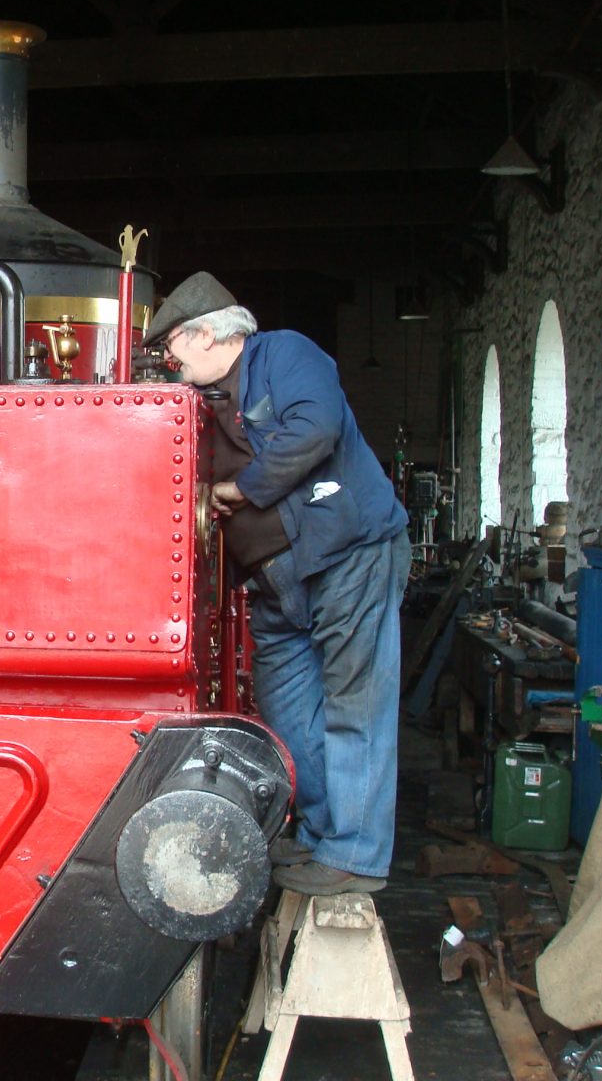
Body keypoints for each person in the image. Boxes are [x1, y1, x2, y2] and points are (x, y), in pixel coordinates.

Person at [143, 271, 409, 895]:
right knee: (288, 709)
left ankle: (357, 856)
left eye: (173, 344)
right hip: (274, 582)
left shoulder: (286, 354)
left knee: (355, 704)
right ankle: (322, 835)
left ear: (207, 334)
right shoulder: (203, 403)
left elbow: (316, 429)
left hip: (348, 555)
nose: (169, 360)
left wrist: (241, 489)